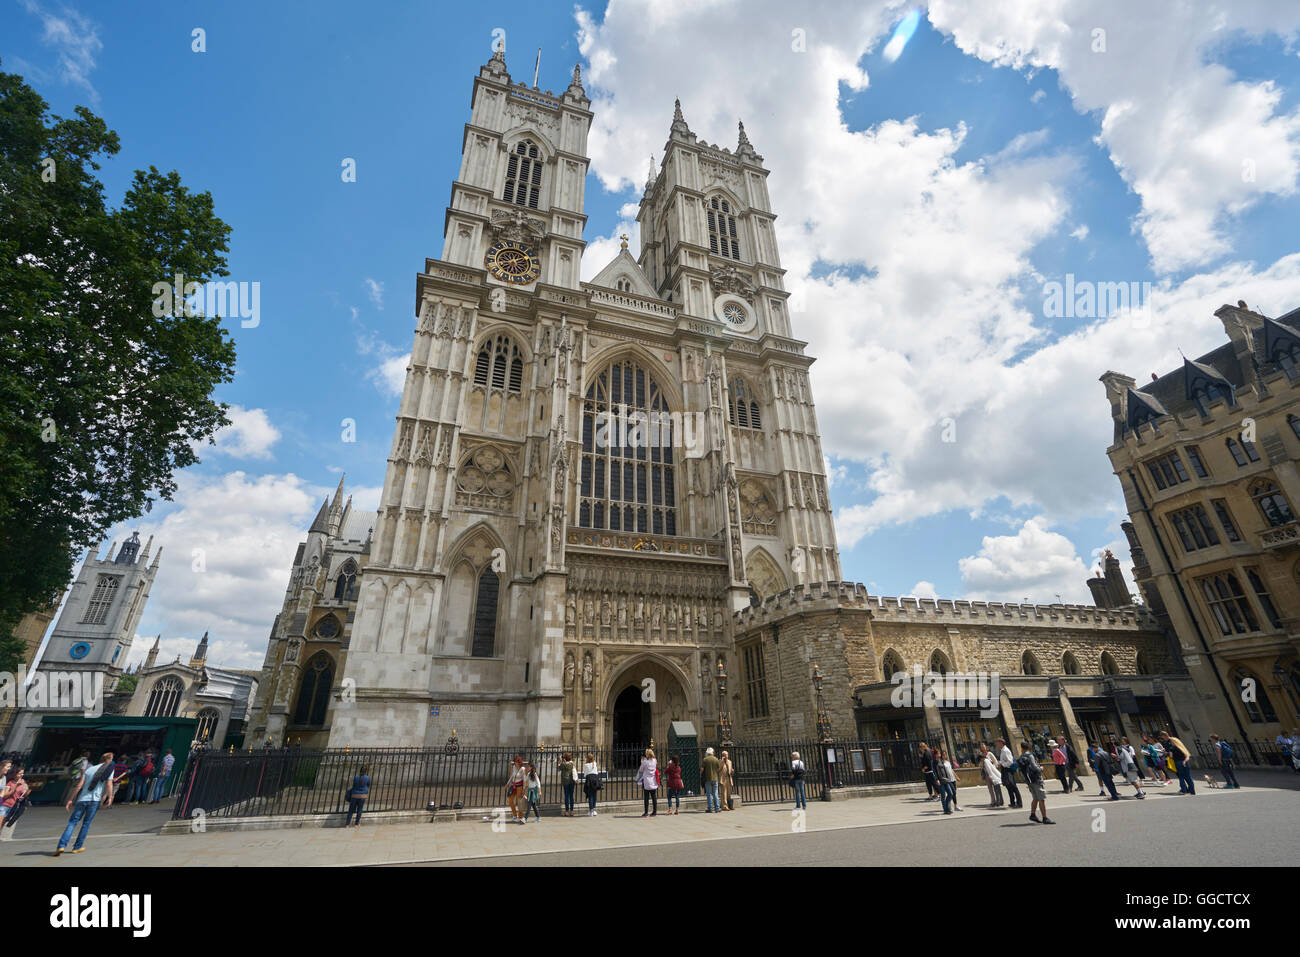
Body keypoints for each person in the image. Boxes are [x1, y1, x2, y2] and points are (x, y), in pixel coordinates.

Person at [56, 751, 115, 855]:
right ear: (109, 760)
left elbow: (79, 785)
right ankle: (77, 847)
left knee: (72, 823)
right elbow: (109, 784)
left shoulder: (89, 769)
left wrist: (70, 799)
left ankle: (61, 846)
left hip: (82, 799)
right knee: (86, 824)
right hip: (94, 800)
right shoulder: (109, 769)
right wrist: (110, 797)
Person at [1017, 742, 1054, 824]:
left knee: (1035, 798)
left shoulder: (1021, 757)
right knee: (1041, 798)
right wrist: (1041, 768)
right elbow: (1034, 768)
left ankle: (1033, 814)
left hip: (1029, 781)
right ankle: (1045, 818)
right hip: (1036, 779)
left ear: (1022, 748)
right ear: (1029, 747)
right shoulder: (1030, 756)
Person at [996, 738, 1022, 809]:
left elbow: (1010, 761)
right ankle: (1012, 802)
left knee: (1013, 786)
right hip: (1005, 770)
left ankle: (1019, 803)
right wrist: (1001, 763)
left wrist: (1002, 764)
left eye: (998, 743)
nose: (997, 745)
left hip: (1008, 770)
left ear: (1001, 743)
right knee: (1009, 787)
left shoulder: (1006, 750)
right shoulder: (1002, 750)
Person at [935, 747, 961, 814]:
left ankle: (948, 807)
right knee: (943, 796)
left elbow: (947, 770)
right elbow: (934, 772)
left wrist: (954, 777)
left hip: (946, 780)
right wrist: (937, 779)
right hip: (941, 781)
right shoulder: (934, 762)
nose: (939, 755)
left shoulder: (942, 762)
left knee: (950, 793)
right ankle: (946, 810)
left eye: (940, 754)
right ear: (935, 755)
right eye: (938, 754)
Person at [636, 747, 659, 817]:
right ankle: (654, 812)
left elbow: (641, 770)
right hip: (653, 781)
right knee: (654, 797)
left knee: (646, 797)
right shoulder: (655, 760)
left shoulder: (645, 762)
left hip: (647, 781)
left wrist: (642, 762)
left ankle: (646, 812)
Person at [505, 754, 528, 824]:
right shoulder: (514, 767)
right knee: (510, 800)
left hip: (520, 787)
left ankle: (520, 817)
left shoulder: (522, 769)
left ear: (519, 762)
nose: (515, 763)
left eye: (516, 762)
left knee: (519, 802)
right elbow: (512, 776)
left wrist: (524, 789)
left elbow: (524, 780)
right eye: (514, 762)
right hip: (514, 786)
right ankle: (515, 815)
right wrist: (508, 783)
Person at [701, 746, 721, 813]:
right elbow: (718, 769)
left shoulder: (705, 759)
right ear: (712, 752)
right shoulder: (716, 759)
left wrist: (701, 774)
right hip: (715, 778)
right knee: (715, 793)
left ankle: (710, 808)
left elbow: (702, 769)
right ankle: (717, 808)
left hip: (708, 778)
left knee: (709, 794)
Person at [581, 752, 601, 817]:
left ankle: (591, 810)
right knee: (594, 795)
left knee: (590, 796)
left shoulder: (585, 765)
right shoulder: (594, 764)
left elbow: (585, 774)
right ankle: (594, 810)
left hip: (589, 780)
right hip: (595, 780)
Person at [558, 752, 577, 817]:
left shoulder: (563, 764)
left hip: (565, 781)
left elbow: (559, 768)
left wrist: (560, 761)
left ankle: (566, 811)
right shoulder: (572, 764)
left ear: (565, 758)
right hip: (571, 781)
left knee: (566, 795)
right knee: (571, 795)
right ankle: (571, 811)